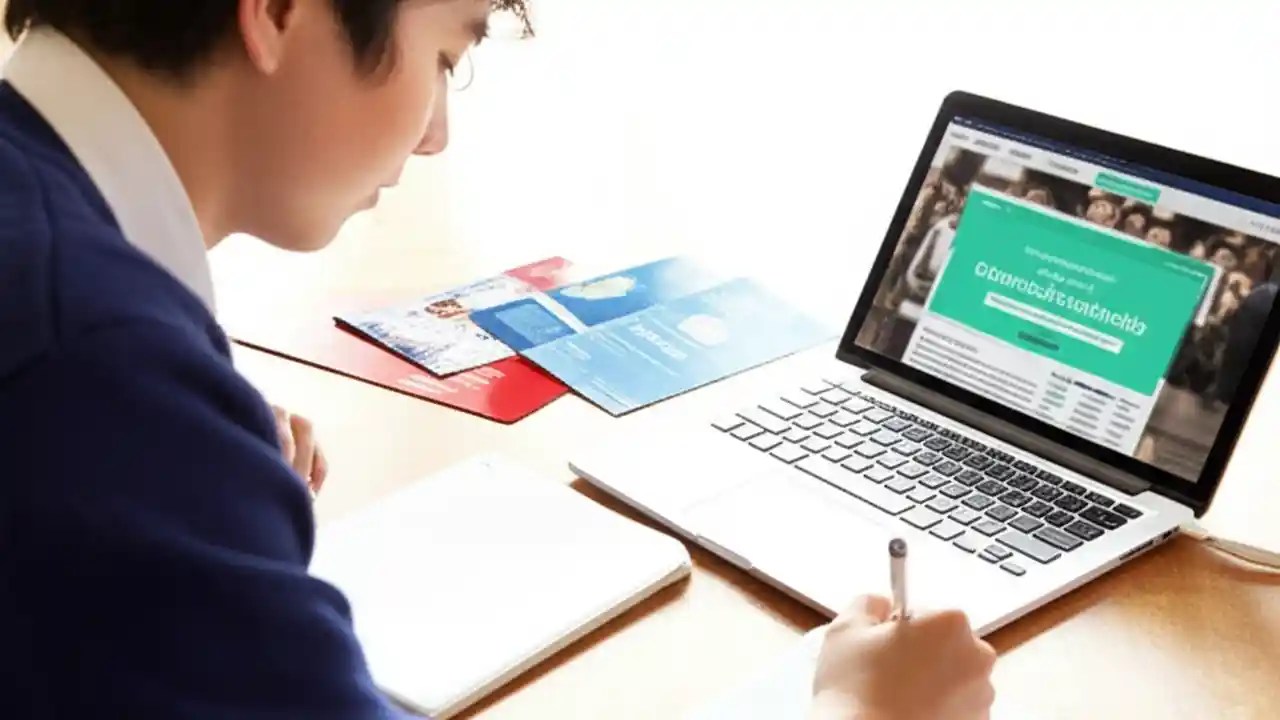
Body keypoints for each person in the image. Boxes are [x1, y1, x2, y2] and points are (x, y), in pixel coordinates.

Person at [0, 2, 997, 718]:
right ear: (274, 12)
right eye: (445, 55)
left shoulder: (77, 310)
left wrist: (191, 476)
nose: (437, 134)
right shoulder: (95, 372)